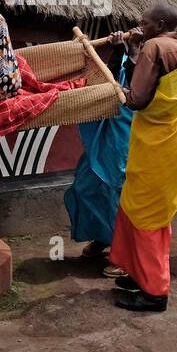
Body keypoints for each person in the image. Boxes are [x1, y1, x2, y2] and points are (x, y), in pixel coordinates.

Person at [107, 4, 177, 313]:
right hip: (175, 145)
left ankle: (154, 291)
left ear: (160, 24)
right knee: (138, 206)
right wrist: (132, 51)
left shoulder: (155, 46)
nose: (140, 26)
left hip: (160, 147)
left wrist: (114, 88)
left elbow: (137, 99)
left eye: (145, 22)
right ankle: (139, 273)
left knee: (147, 215)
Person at [64, 42, 134, 277]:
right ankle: (103, 236)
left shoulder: (152, 62)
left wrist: (133, 54)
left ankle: (123, 253)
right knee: (87, 185)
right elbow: (109, 82)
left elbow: (137, 94)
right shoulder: (125, 59)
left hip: (127, 133)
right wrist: (118, 51)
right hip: (106, 129)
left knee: (116, 189)